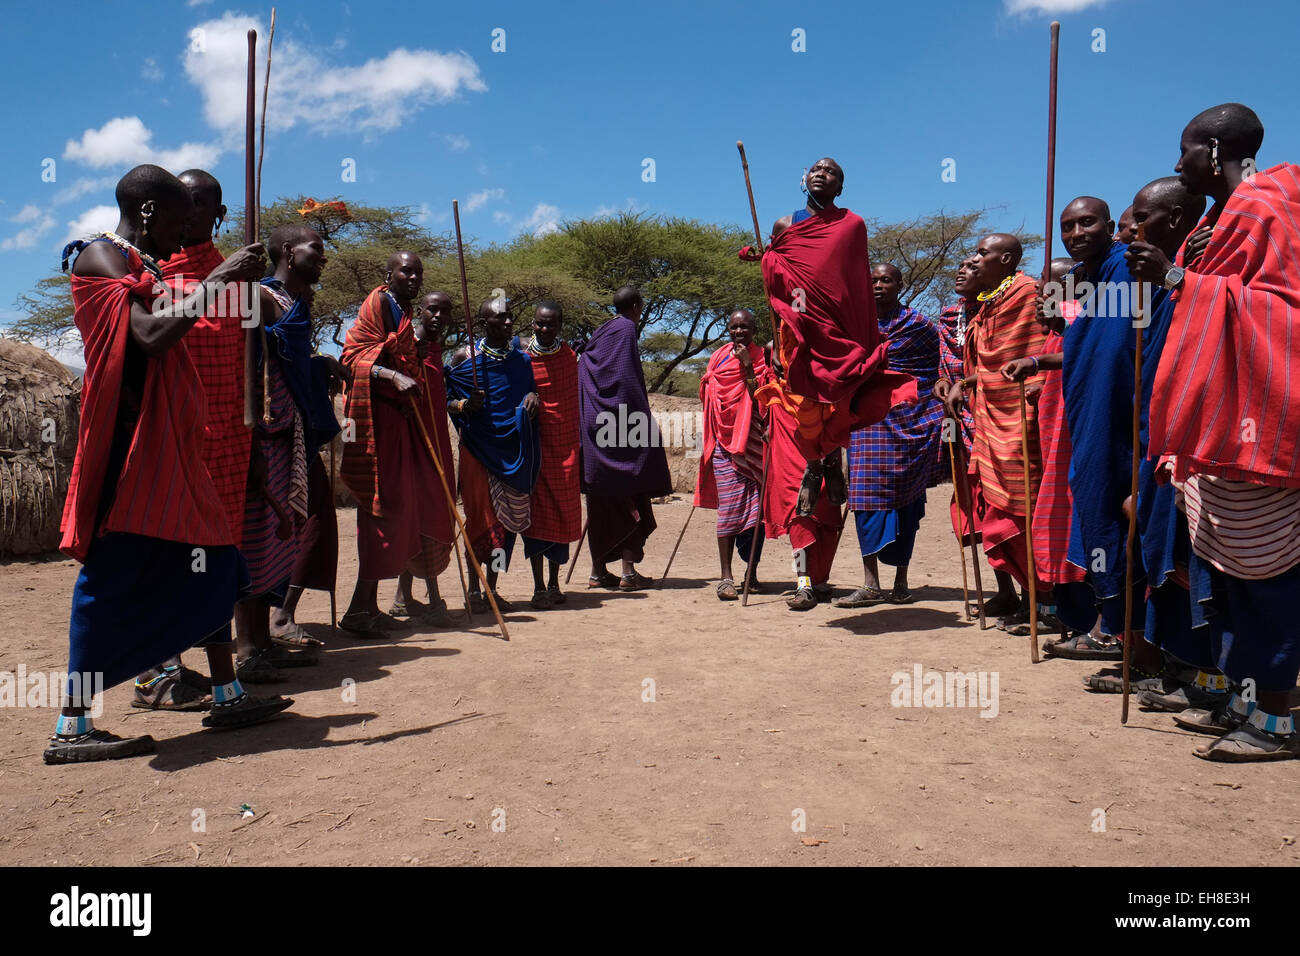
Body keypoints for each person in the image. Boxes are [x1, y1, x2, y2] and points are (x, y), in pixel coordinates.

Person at [47, 165, 290, 763]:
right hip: (128, 457)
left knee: (215, 566)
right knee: (108, 585)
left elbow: (231, 315)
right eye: (180, 222)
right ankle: (72, 727)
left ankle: (227, 692)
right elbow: (153, 335)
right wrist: (222, 277)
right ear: (150, 212)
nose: (187, 237)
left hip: (170, 452)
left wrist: (245, 286)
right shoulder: (101, 258)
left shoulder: (145, 267)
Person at [1130, 104, 1300, 760]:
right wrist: (1185, 276)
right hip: (1221, 430)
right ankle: (1247, 697)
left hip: (1263, 424)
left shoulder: (1270, 206)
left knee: (1269, 580)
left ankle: (1279, 723)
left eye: (1188, 149)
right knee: (1227, 581)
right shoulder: (1220, 222)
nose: (1179, 163)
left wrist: (1176, 278)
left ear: (1219, 147)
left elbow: (1282, 313)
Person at [131, 168, 240, 711]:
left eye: (200, 205)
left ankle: (220, 679)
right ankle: (156, 674)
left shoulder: (232, 275)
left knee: (210, 562)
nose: (190, 213)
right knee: (165, 557)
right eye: (182, 203)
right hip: (168, 441)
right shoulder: (139, 271)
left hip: (225, 444)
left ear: (217, 215)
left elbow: (248, 364)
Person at [753, 158, 915, 517]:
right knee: (804, 402)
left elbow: (854, 282)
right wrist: (768, 263)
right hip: (797, 325)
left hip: (839, 326)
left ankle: (829, 460)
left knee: (839, 398)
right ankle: (817, 464)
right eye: (816, 169)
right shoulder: (786, 224)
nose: (821, 173)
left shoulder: (852, 224)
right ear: (804, 179)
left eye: (831, 172)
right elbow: (779, 286)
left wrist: (863, 332)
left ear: (840, 187)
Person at [232, 224, 338, 682]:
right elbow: (249, 364)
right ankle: (247, 650)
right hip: (264, 435)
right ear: (288, 252)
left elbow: (287, 360)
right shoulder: (260, 298)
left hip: (288, 434)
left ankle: (263, 641)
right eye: (316, 249)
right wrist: (251, 437)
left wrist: (320, 365)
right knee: (255, 537)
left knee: (275, 540)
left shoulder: (294, 303)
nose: (323, 258)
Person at [339, 252, 449, 634]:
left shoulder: (402, 310)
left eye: (419, 271)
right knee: (379, 511)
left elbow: (399, 354)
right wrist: (392, 374)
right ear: (389, 273)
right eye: (407, 270)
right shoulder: (378, 303)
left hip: (397, 420)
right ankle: (357, 610)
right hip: (377, 423)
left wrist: (409, 359)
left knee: (393, 512)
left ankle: (366, 607)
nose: (415, 276)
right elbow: (351, 358)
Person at [943, 234, 1050, 623]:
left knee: (1027, 510)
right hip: (988, 420)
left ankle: (1043, 600)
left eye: (982, 253)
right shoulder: (989, 303)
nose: (974, 259)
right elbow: (987, 367)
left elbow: (1044, 347)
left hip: (1022, 421)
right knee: (990, 509)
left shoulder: (1028, 293)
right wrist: (963, 383)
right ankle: (1019, 597)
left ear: (1006, 259)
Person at [1001, 257, 1097, 644]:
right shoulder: (1055, 328)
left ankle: (1095, 624)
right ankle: (1067, 616)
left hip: (1077, 442)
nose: (1043, 288)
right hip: (1053, 441)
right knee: (1054, 522)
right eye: (1043, 280)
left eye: (1053, 282)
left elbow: (1089, 355)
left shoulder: (1083, 320)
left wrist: (1041, 363)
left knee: (1078, 522)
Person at [835, 264, 942, 607]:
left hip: (909, 422)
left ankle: (901, 581)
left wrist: (931, 411)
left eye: (885, 280)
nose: (878, 285)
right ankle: (870, 583)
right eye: (872, 281)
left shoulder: (920, 326)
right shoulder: (853, 326)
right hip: (866, 422)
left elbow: (936, 369)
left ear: (899, 284)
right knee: (863, 499)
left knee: (906, 502)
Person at [445, 298, 541, 611]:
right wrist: (464, 405)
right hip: (477, 448)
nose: (509, 323)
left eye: (511, 317)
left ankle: (493, 588)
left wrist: (531, 397)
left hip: (512, 449)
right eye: (500, 318)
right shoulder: (465, 357)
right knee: (480, 519)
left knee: (506, 523)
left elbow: (530, 390)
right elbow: (446, 401)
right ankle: (475, 589)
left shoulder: (522, 361)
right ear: (484, 322)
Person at [578, 285, 673, 590]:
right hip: (621, 432)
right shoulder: (626, 330)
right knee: (631, 492)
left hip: (595, 430)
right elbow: (628, 382)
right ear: (635, 307)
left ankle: (597, 572)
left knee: (600, 500)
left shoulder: (601, 333)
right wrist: (643, 423)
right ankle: (628, 573)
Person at [390, 290, 459, 625]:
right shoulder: (406, 345)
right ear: (420, 311)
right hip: (413, 447)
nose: (438, 317)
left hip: (436, 442)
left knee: (430, 515)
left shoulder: (435, 349)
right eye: (433, 310)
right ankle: (433, 599)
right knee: (423, 518)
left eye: (444, 312)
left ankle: (403, 598)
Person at [694, 308, 770, 600]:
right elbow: (709, 393)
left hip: (753, 442)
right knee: (728, 511)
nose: (739, 332)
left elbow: (762, 399)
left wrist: (749, 367)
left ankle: (752, 572)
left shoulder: (763, 357)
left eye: (745, 327)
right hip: (724, 444)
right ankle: (726, 577)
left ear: (753, 329)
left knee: (757, 514)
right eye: (734, 326)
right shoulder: (717, 357)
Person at [521, 300, 583, 609]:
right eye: (540, 324)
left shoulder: (569, 357)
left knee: (562, 515)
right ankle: (537, 587)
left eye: (551, 324)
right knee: (535, 518)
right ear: (532, 324)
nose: (545, 329)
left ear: (560, 326)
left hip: (566, 449)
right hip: (534, 450)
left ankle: (555, 583)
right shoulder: (521, 358)